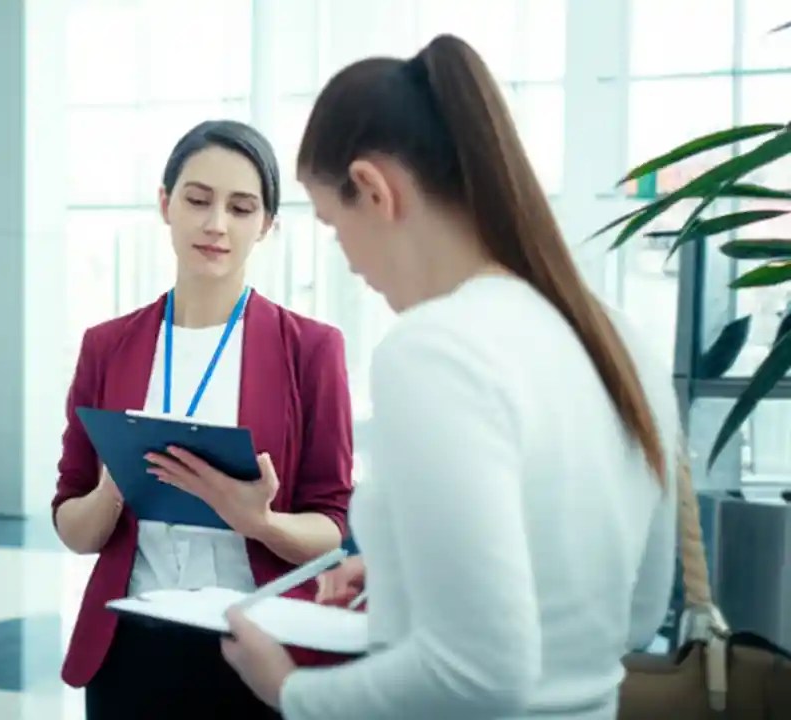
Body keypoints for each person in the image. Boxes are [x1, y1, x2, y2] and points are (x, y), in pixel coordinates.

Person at [220, 35, 680, 720]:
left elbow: (477, 674)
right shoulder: (615, 337)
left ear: (373, 189)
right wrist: (412, 574)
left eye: (334, 225)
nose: (350, 261)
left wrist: (290, 691)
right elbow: (637, 610)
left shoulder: (434, 350)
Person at [50, 119, 355, 718]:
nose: (217, 224)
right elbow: (73, 527)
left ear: (266, 224)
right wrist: (113, 488)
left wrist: (260, 522)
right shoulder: (107, 347)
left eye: (241, 208)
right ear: (165, 204)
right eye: (197, 200)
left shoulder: (311, 350)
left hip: (255, 645)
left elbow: (331, 527)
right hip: (128, 646)